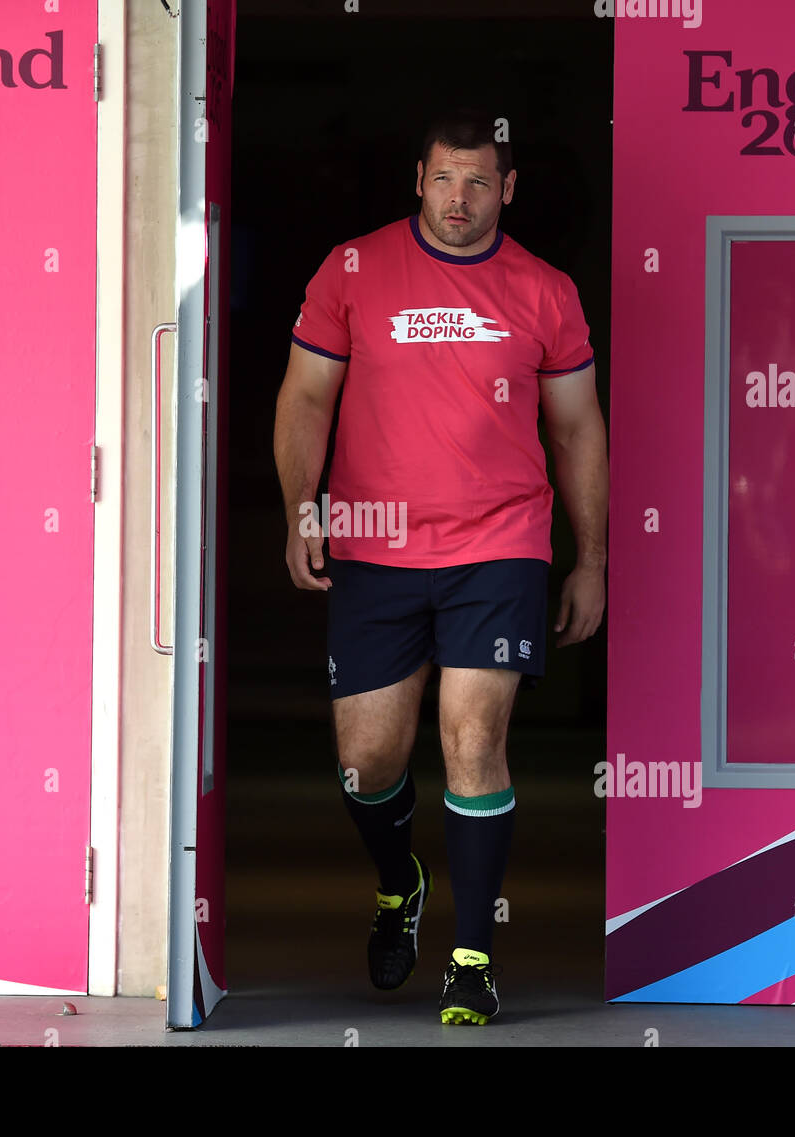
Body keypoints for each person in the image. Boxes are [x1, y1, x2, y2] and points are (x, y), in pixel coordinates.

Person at [272, 109, 607, 1025]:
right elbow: (306, 395)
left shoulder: (544, 290)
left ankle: (472, 959)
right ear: (417, 180)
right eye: (443, 178)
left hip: (499, 546)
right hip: (374, 545)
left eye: (479, 181)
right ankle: (399, 881)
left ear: (508, 189)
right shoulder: (351, 270)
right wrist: (306, 505)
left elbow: (576, 427)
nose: (458, 199)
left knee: (472, 740)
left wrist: (592, 559)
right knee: (366, 759)